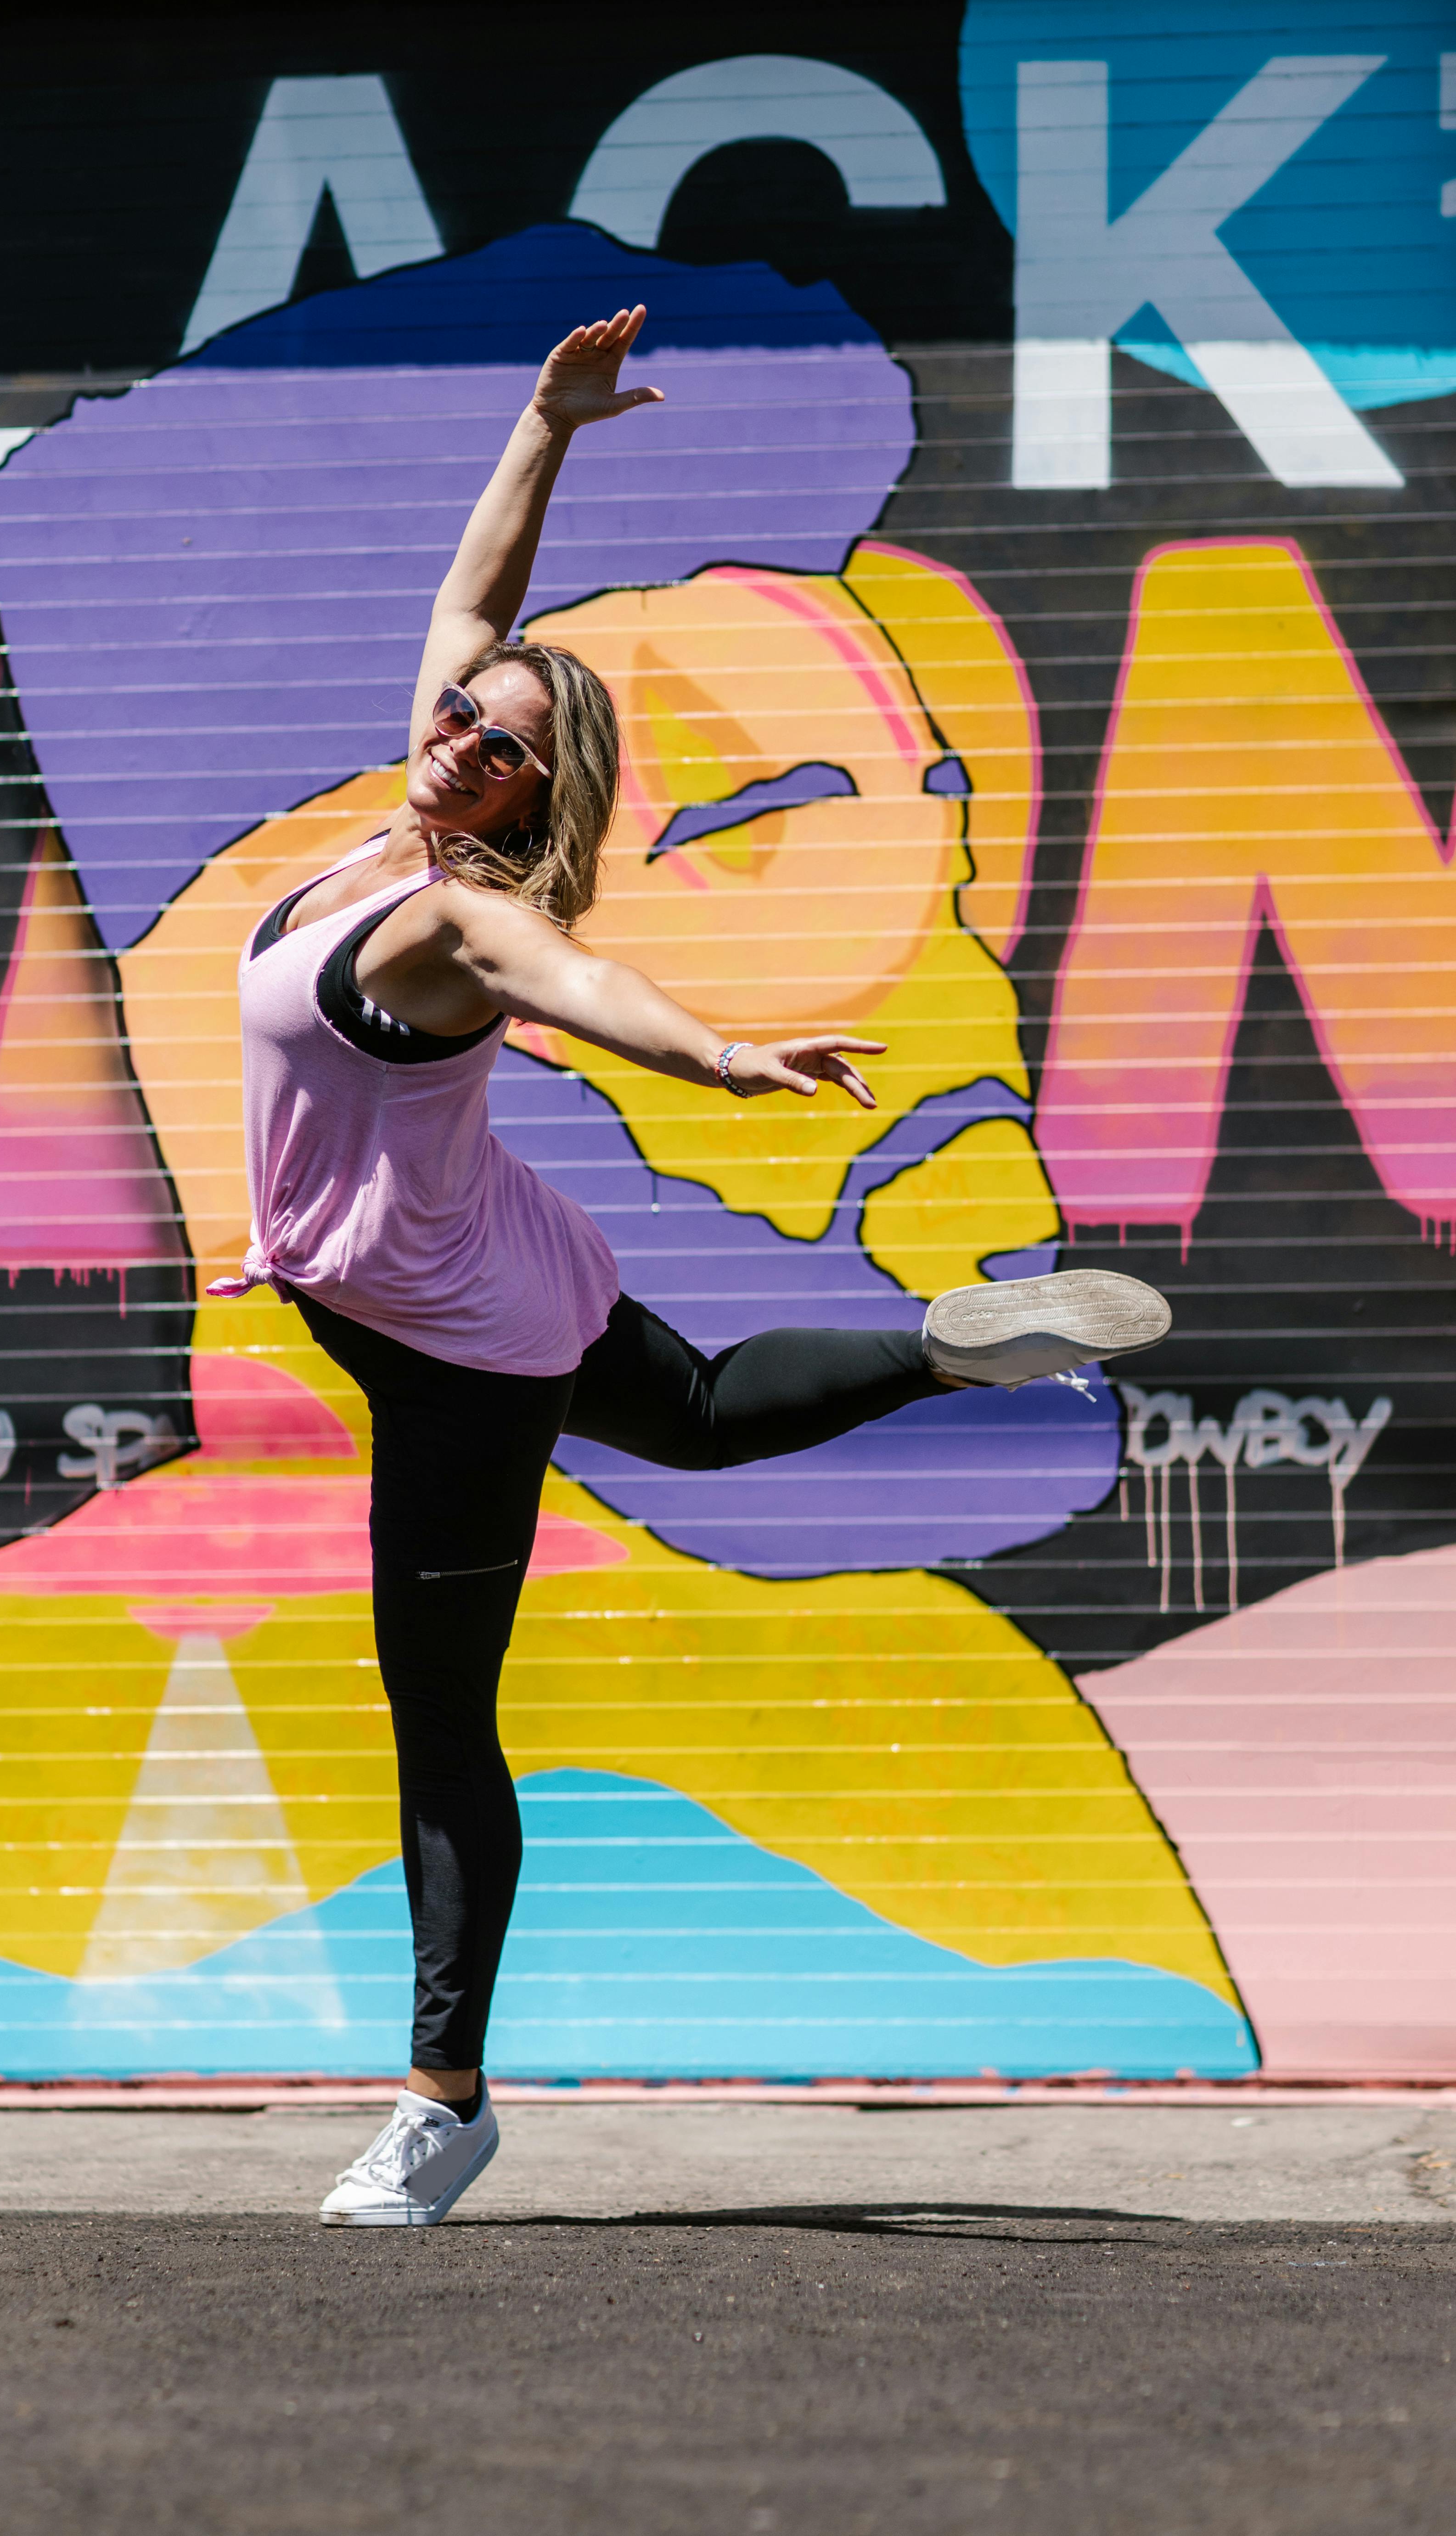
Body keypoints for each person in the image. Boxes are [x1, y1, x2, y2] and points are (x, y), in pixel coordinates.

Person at [210, 307, 1171, 2227]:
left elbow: (588, 986)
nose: (460, 735)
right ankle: (945, 1348)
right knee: (711, 1418)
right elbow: (472, 595)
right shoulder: (381, 823)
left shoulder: (457, 921)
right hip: (481, 1260)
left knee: (440, 1711)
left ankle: (442, 2097)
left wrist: (727, 1055)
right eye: (462, 716)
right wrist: (542, 419)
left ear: (525, 806)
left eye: (500, 747)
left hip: (457, 1338)